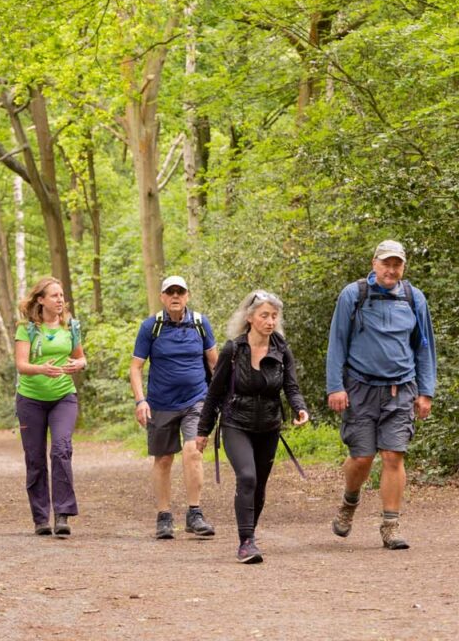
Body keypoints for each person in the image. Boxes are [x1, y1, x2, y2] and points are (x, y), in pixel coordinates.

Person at [325, 240, 436, 550]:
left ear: (403, 267)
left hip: (401, 388)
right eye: (386, 263)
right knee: (362, 457)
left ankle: (390, 525)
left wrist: (426, 391)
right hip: (360, 387)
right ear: (374, 263)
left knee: (393, 455)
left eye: (396, 264)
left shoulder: (414, 298)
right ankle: (349, 502)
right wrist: (335, 386)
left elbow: (424, 347)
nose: (391, 269)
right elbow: (338, 342)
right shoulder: (354, 295)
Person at [196, 290, 310, 564]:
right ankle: (246, 542)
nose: (270, 321)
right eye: (264, 316)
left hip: (269, 425)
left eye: (274, 316)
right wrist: (203, 430)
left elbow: (291, 387)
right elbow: (214, 392)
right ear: (249, 317)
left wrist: (300, 408)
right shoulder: (233, 350)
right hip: (236, 423)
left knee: (259, 486)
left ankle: (251, 535)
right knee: (247, 477)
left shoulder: (281, 350)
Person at [129, 275, 218, 539]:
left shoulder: (200, 324)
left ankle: (195, 513)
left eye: (180, 292)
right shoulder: (151, 327)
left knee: (193, 452)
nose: (176, 296)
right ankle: (164, 516)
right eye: (171, 292)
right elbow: (135, 367)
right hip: (161, 402)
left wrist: (222, 398)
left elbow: (215, 363)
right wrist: (140, 400)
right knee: (164, 459)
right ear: (163, 297)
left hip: (196, 399)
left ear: (187, 296)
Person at [14, 276, 87, 536]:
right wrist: (41, 369)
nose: (60, 300)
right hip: (30, 399)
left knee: (61, 449)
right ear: (41, 300)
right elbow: (21, 365)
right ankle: (41, 517)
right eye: (54, 295)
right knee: (34, 458)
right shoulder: (27, 328)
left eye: (61, 295)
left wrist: (79, 365)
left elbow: (80, 358)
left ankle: (63, 514)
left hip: (63, 397)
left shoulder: (72, 326)